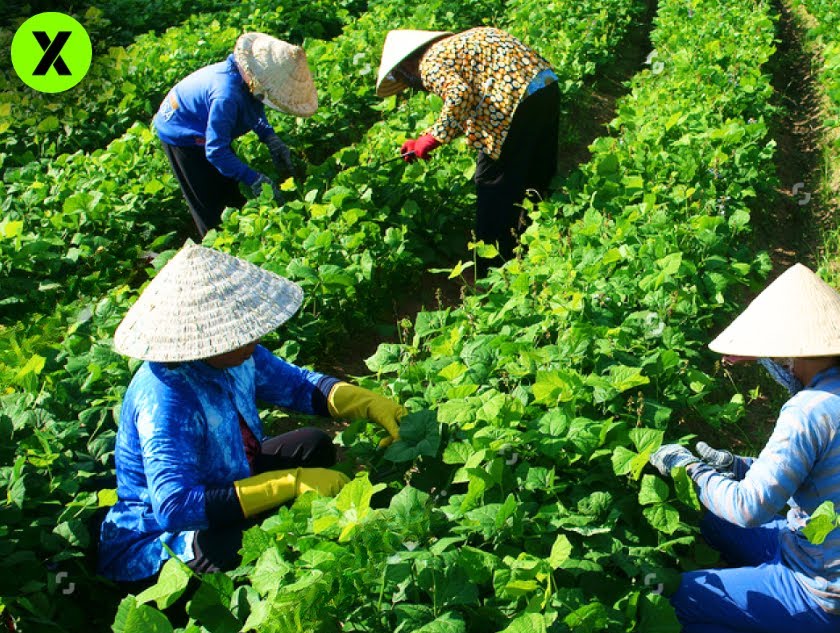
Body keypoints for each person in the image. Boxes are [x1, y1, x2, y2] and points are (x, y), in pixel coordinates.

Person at [647, 264, 840, 633]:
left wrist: (689, 469)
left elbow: (748, 507)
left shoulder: (809, 410)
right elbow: (810, 479)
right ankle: (775, 608)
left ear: (796, 349)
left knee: (673, 600)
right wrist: (736, 467)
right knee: (707, 517)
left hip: (828, 596)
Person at [97, 243, 405, 586]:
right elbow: (175, 507)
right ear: (206, 339)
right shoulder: (166, 399)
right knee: (247, 547)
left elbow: (298, 385)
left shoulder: (236, 355)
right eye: (240, 333)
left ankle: (274, 517)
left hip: (230, 476)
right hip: (163, 542)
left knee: (313, 445)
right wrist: (290, 484)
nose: (254, 338)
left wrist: (368, 403)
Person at [375, 27, 560, 261]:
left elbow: (460, 94)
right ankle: (541, 240)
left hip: (512, 104)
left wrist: (432, 139)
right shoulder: (459, 43)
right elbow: (477, 96)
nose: (412, 83)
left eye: (405, 78)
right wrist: (425, 136)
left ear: (408, 65)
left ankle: (494, 268)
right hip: (546, 86)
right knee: (535, 171)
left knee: (492, 182)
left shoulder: (429, 61)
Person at [154, 32, 318, 238]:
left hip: (208, 127)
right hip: (182, 131)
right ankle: (216, 249)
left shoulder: (247, 83)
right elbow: (215, 151)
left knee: (231, 192)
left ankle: (237, 234)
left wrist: (270, 137)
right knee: (210, 205)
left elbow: (254, 108)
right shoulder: (227, 96)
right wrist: (254, 178)